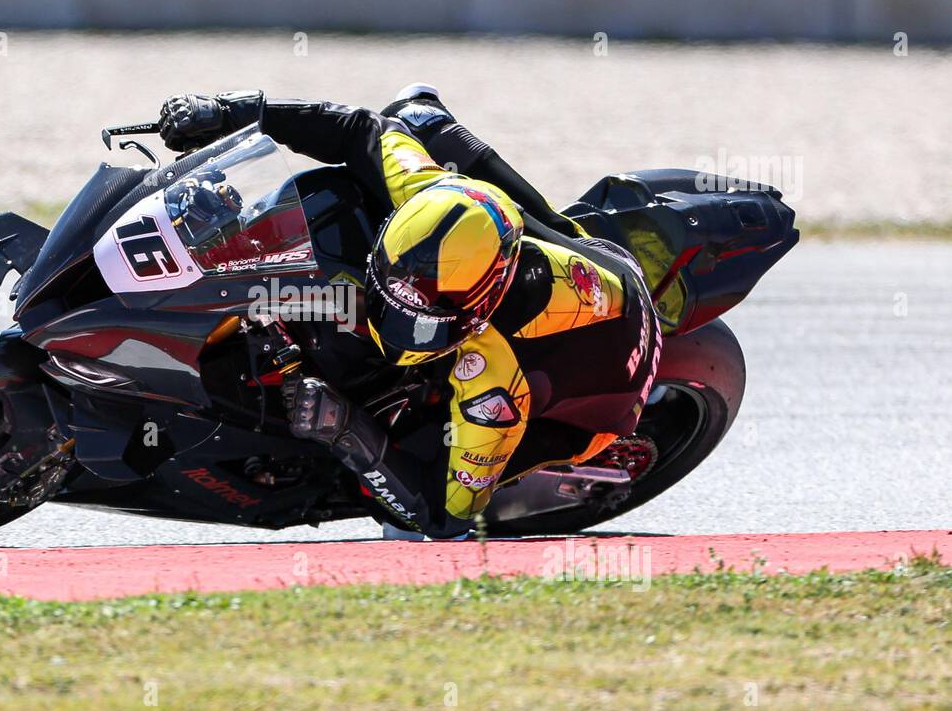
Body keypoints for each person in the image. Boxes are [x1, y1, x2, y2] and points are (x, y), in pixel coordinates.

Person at [157, 88, 662, 538]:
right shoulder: (421, 192)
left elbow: (444, 518)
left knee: (399, 518)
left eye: (422, 317)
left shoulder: (491, 372)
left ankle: (552, 456)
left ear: (477, 310)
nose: (399, 321)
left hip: (604, 382)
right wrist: (231, 111)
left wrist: (348, 428)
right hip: (572, 256)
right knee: (412, 114)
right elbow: (357, 128)